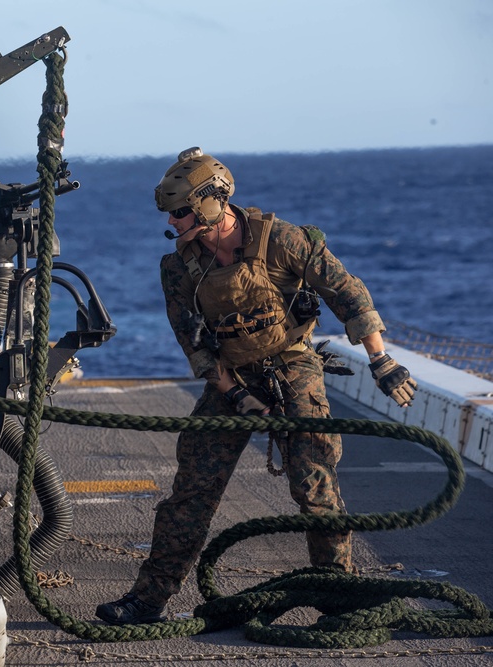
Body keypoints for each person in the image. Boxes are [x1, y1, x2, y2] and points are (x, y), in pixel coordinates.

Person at [95, 147, 418, 625]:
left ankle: (339, 601)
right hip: (233, 376)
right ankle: (147, 600)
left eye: (180, 211)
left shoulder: (282, 240)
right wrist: (233, 393)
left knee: (315, 486)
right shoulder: (178, 266)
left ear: (210, 203)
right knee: (192, 490)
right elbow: (195, 343)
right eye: (169, 212)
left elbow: (347, 292)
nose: (173, 220)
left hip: (293, 366)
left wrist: (381, 358)